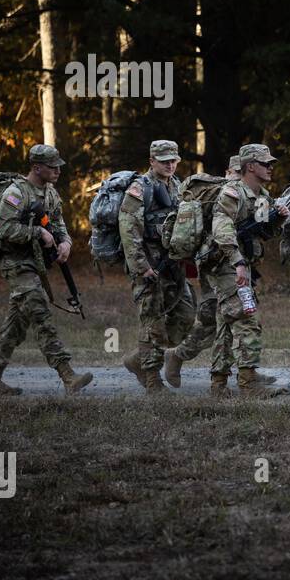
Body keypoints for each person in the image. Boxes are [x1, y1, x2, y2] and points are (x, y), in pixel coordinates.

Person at [0, 144, 93, 396]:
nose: (57, 170)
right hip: (16, 264)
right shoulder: (16, 193)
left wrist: (65, 242)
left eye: (58, 166)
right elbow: (6, 230)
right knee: (41, 315)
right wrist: (37, 231)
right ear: (36, 167)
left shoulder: (50, 193)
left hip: (36, 264)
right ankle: (68, 375)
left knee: (16, 324)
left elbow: (58, 223)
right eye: (52, 167)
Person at [202, 143, 288, 398]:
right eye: (265, 164)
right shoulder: (233, 192)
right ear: (250, 166)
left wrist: (278, 218)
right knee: (246, 318)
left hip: (241, 265)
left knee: (225, 323)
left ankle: (218, 386)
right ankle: (249, 385)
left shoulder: (261, 195)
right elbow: (221, 228)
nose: (271, 167)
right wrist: (238, 261)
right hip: (225, 263)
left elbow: (262, 230)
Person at [117, 140, 197, 393]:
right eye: (164, 161)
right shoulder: (140, 189)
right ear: (152, 161)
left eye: (173, 160)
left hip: (174, 265)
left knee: (185, 317)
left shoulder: (178, 185)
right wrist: (141, 267)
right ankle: (152, 380)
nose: (170, 165)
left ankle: (137, 360)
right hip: (149, 266)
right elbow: (128, 229)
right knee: (151, 323)